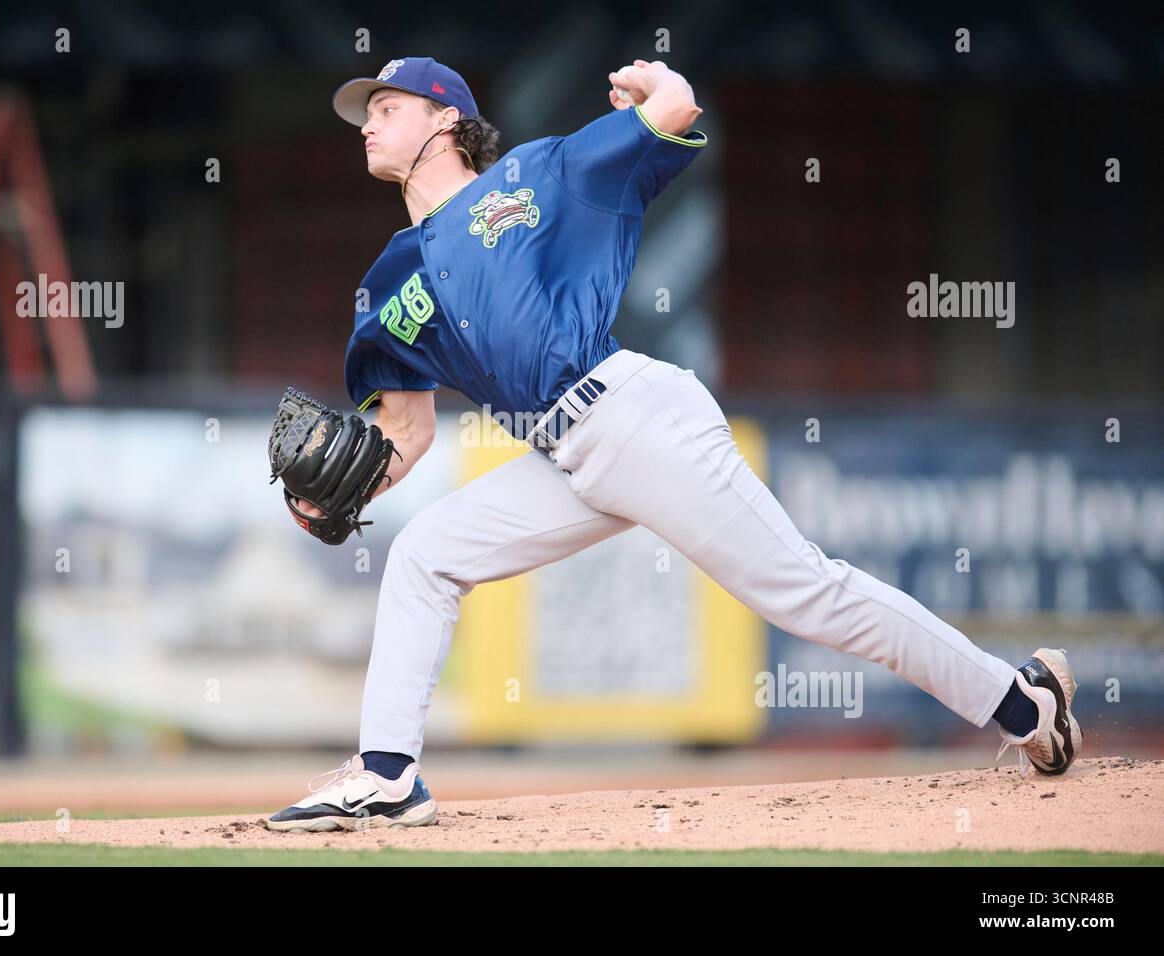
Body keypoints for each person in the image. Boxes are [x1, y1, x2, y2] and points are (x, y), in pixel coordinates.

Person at [265, 56, 1080, 832]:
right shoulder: (388, 280)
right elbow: (404, 433)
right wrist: (334, 491)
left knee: (803, 592)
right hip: (566, 459)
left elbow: (678, 107)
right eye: (365, 114)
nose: (367, 125)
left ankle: (1020, 701)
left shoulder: (537, 174)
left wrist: (650, 82)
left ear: (446, 118)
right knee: (423, 554)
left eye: (387, 107)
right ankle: (386, 776)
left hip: (634, 416)